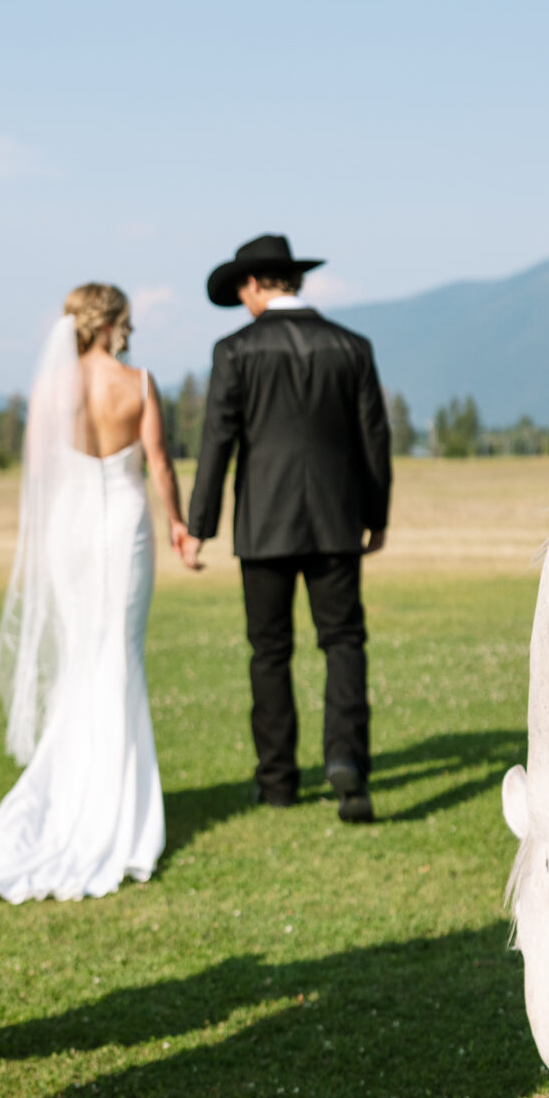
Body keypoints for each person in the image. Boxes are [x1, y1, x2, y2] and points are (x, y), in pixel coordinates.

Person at [0, 284, 189, 902]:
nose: (129, 332)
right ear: (110, 323)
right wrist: (180, 526)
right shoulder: (138, 383)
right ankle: (116, 806)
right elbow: (160, 463)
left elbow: (39, 470)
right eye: (126, 322)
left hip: (69, 532)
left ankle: (74, 788)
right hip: (122, 524)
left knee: (86, 654)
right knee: (118, 654)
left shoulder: (52, 387)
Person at [182, 235, 392, 822]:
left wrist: (199, 527)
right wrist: (375, 517)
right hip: (336, 523)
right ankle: (347, 763)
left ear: (252, 286)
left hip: (263, 525)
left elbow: (216, 441)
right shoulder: (352, 346)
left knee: (269, 651)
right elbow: (374, 438)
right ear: (291, 281)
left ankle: (277, 780)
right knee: (343, 643)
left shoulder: (234, 350)